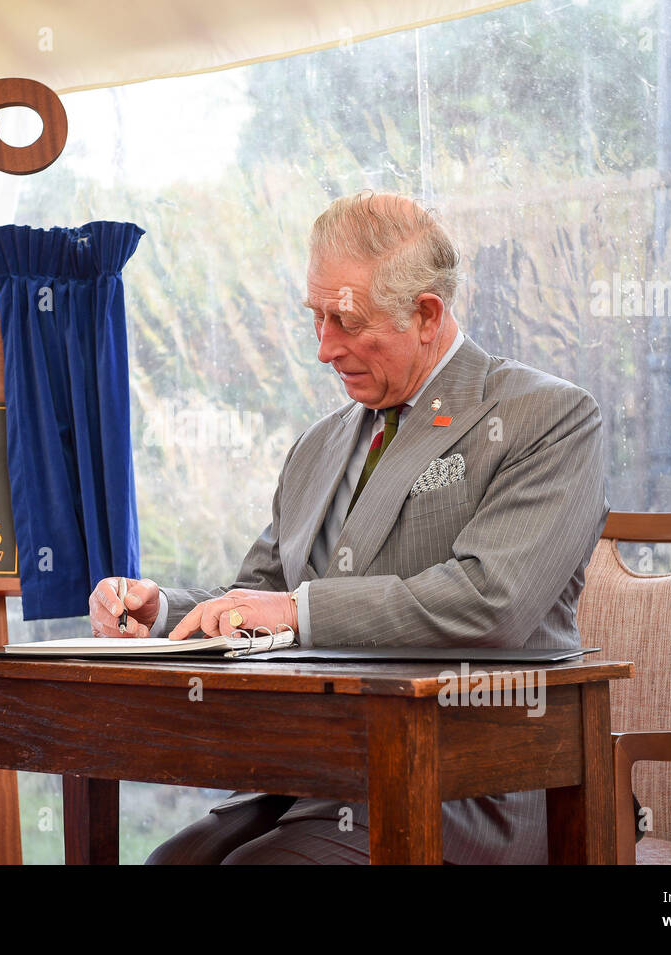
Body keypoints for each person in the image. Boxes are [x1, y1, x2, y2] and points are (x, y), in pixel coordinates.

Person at [88, 190, 609, 864]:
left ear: (426, 314)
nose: (323, 349)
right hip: (319, 776)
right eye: (315, 318)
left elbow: (492, 602)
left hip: (475, 788)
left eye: (345, 321)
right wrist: (164, 611)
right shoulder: (319, 444)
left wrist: (296, 611)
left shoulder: (549, 417)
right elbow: (263, 591)